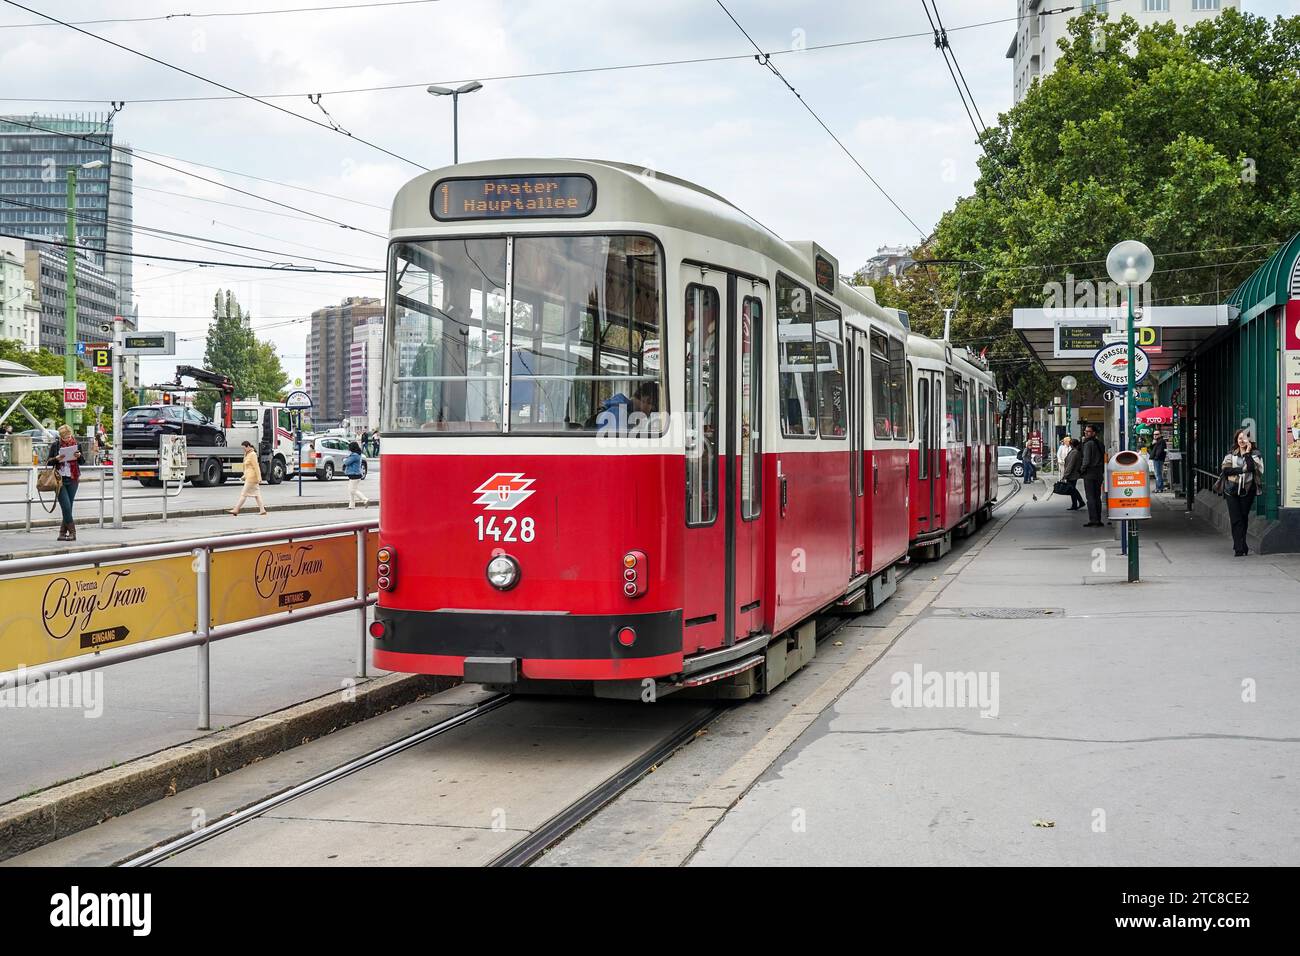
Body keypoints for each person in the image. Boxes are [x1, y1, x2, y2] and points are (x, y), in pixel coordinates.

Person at [1220, 428, 1263, 556]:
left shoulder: (1255, 454)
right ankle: (1238, 547)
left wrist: (1247, 453)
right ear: (1236, 440)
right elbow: (1225, 470)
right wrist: (1242, 470)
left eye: (1244, 438)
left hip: (1247, 489)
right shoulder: (1231, 453)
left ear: (1249, 440)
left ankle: (1242, 543)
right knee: (1235, 518)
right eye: (1240, 438)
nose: (1242, 440)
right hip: (1231, 490)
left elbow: (1251, 468)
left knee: (1243, 517)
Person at [47, 424, 84, 541]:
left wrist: (79, 456)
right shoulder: (55, 445)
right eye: (64, 437)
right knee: (66, 506)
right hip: (59, 479)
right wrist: (56, 459)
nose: (67, 438)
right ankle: (73, 533)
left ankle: (62, 533)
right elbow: (48, 462)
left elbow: (82, 462)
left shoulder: (77, 445)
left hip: (73, 478)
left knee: (68, 507)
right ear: (60, 436)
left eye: (68, 436)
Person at [230, 440, 267, 516]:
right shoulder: (247, 454)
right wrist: (244, 476)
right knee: (257, 495)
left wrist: (259, 477)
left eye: (244, 448)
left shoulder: (252, 454)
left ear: (248, 446)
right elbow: (247, 468)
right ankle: (262, 510)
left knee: (244, 494)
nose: (243, 450)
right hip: (250, 477)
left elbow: (256, 467)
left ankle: (236, 509)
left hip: (251, 478)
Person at [1080, 424, 1106, 527]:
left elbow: (1086, 460)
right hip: (1099, 473)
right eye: (1085, 431)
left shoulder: (1088, 444)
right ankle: (1098, 519)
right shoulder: (1100, 444)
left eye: (1088, 431)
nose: (1086, 433)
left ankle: (1093, 520)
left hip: (1090, 473)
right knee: (1097, 497)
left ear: (1094, 433)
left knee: (1090, 497)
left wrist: (1082, 470)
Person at [1059, 435, 1085, 511]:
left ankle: (1078, 503)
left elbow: (1071, 464)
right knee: (1072, 489)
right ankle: (1077, 503)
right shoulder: (1074, 451)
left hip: (1072, 474)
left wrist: (1065, 475)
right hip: (1072, 474)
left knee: (1072, 489)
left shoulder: (1074, 452)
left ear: (1072, 445)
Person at [343, 441, 368, 508]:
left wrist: (345, 459)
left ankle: (365, 499)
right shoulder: (357, 454)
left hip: (354, 474)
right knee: (351, 490)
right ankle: (351, 506)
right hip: (356, 474)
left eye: (349, 447)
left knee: (352, 490)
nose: (349, 448)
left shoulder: (354, 455)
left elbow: (346, 462)